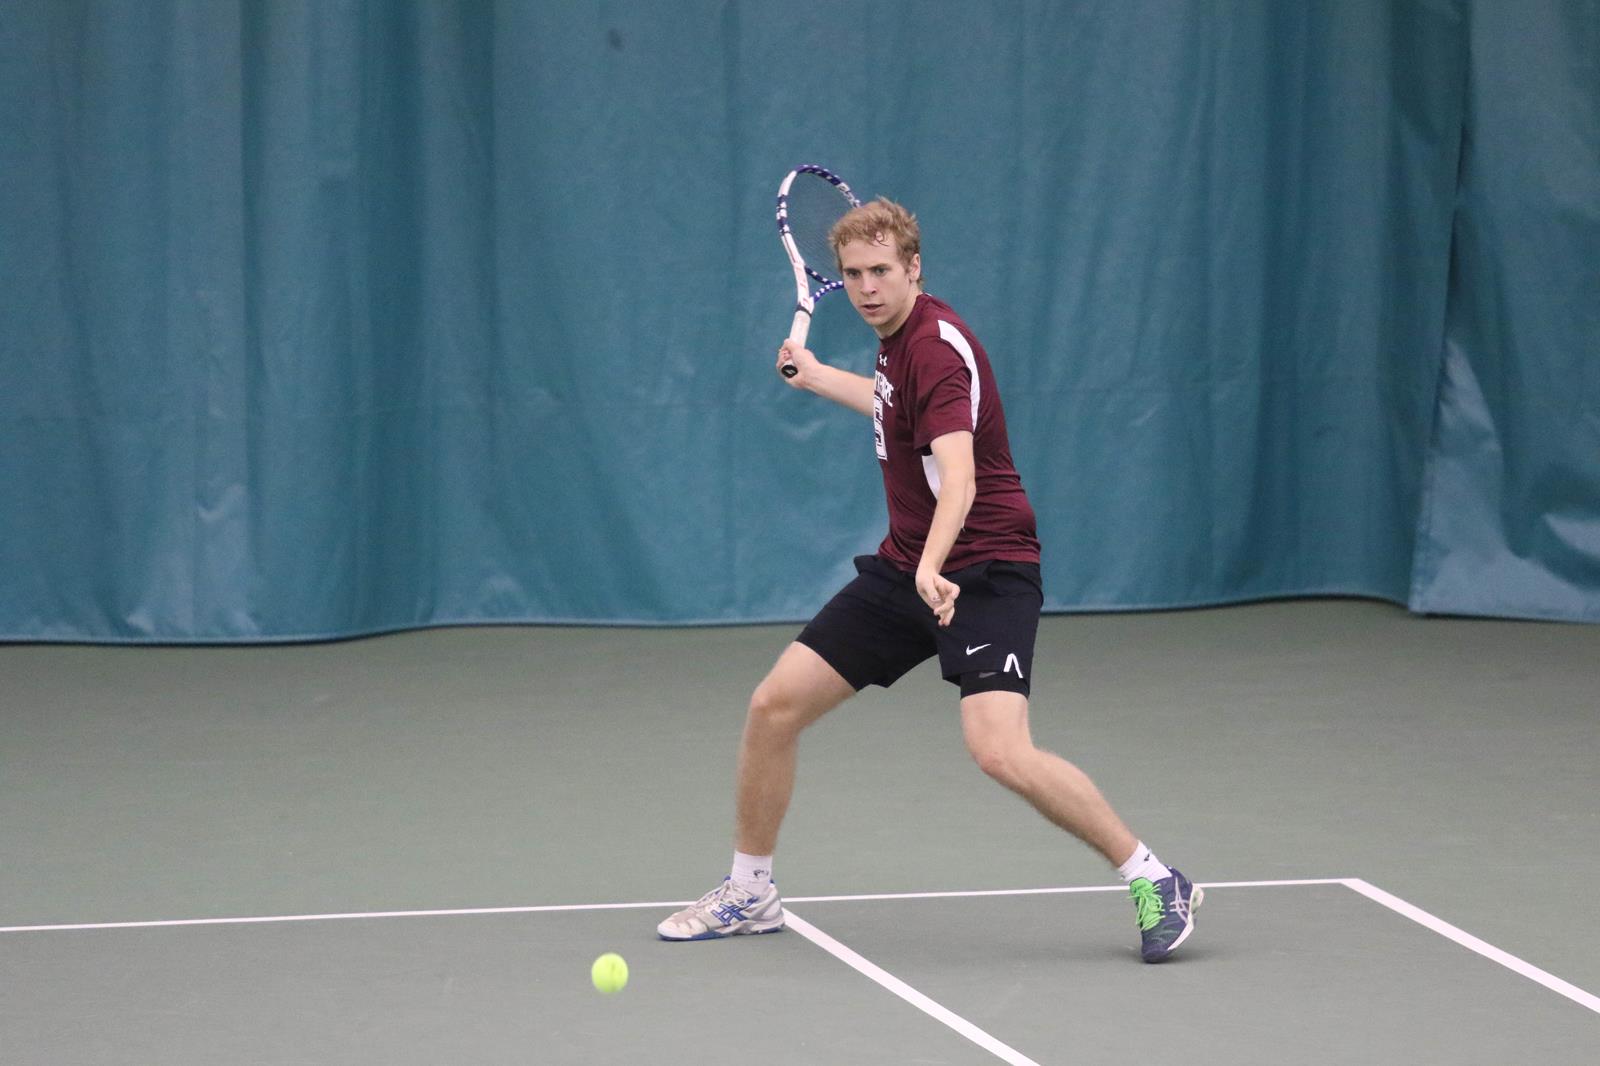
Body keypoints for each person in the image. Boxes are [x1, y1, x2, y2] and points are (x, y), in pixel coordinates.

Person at [657, 199, 1200, 962]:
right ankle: (751, 890)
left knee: (1000, 751)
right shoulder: (895, 346)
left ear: (914, 269)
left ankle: (1154, 878)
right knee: (774, 706)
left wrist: (934, 567)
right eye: (853, 275)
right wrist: (816, 378)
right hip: (913, 565)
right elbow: (890, 411)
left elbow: (962, 479)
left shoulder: (938, 349)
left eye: (883, 271)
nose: (868, 286)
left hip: (986, 569)